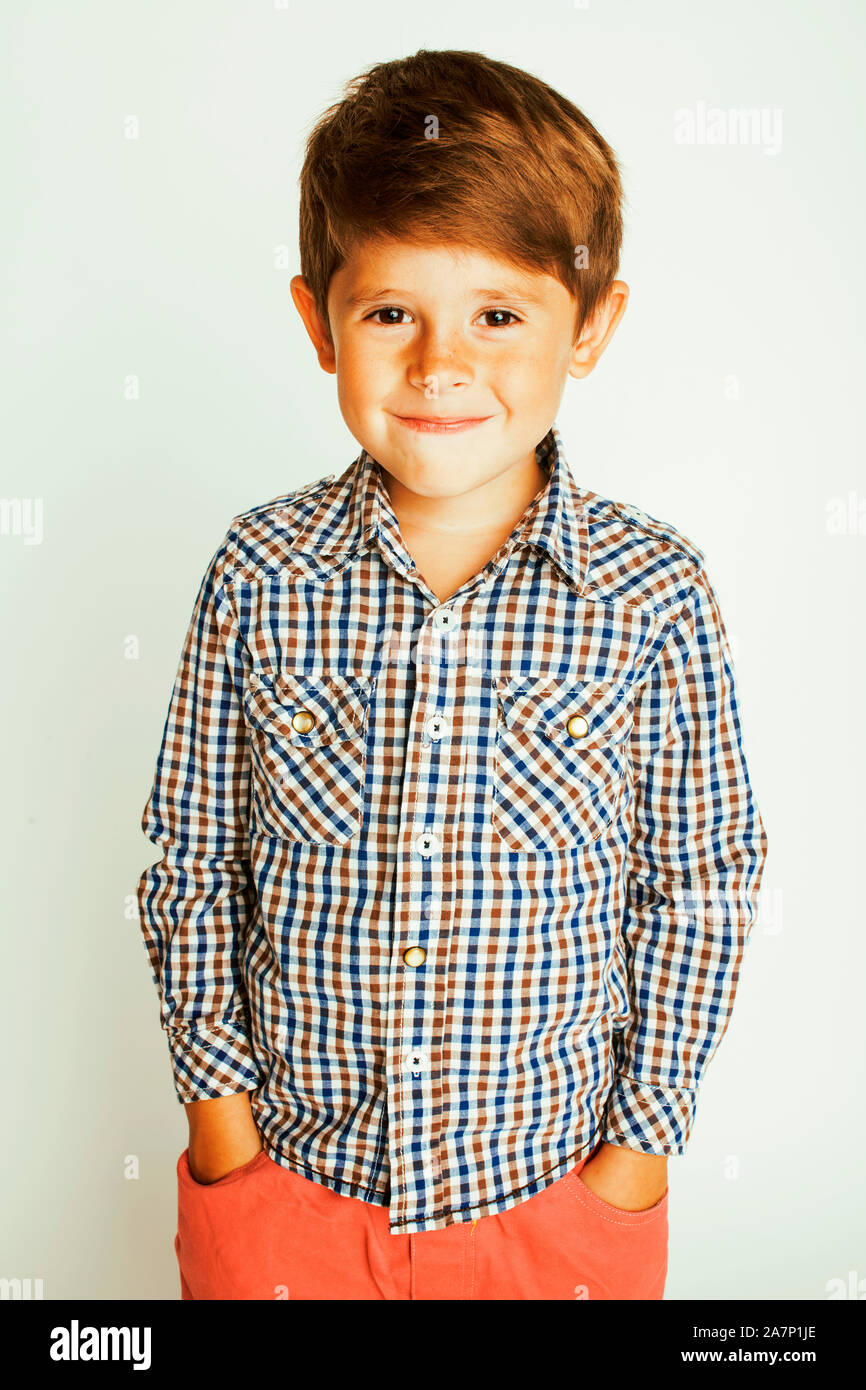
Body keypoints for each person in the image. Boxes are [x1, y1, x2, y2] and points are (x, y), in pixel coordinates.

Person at [136, 49, 768, 1301]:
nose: (439, 363)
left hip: (547, 1208)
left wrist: (630, 1163)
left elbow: (700, 886)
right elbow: (195, 860)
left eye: (497, 313)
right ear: (319, 321)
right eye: (389, 313)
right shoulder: (260, 572)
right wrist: (225, 1133)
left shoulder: (652, 592)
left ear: (588, 326)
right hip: (291, 1199)